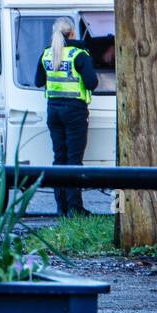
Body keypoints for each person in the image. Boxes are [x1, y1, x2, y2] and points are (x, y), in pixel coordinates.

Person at [34, 18, 99, 216]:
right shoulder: (79, 55)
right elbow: (92, 83)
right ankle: (75, 208)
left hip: (53, 111)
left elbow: (38, 82)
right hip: (75, 112)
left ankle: (61, 207)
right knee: (74, 160)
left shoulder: (46, 54)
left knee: (59, 159)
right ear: (72, 34)